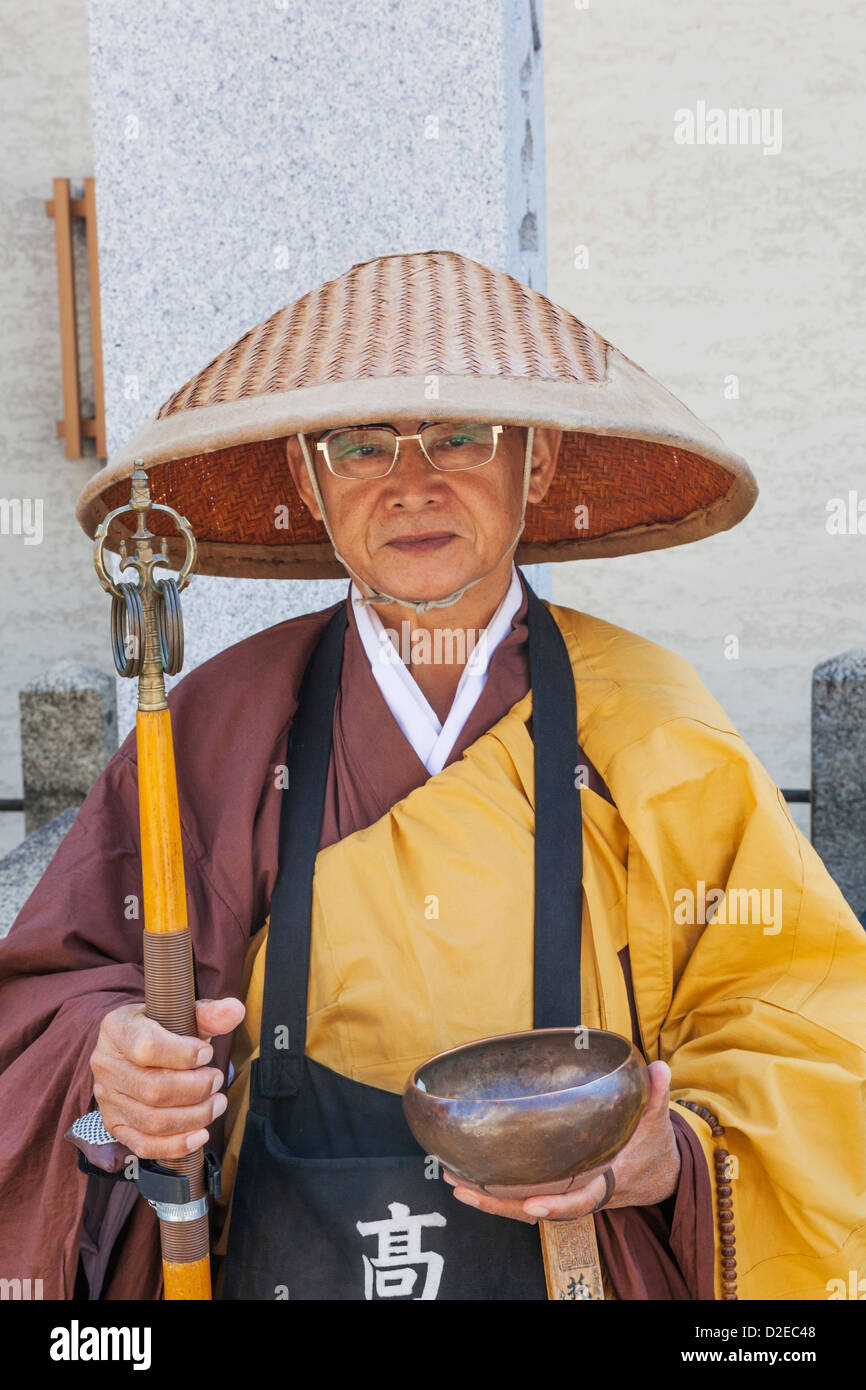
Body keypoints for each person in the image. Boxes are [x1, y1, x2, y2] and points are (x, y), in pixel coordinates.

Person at [1, 250, 864, 1301]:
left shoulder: (651, 723)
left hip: (579, 1264)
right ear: (308, 486)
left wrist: (672, 1155)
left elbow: (803, 1029)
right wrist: (115, 1064)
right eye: (359, 447)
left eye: (464, 436)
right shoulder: (219, 724)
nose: (411, 484)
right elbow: (57, 990)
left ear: (536, 467)